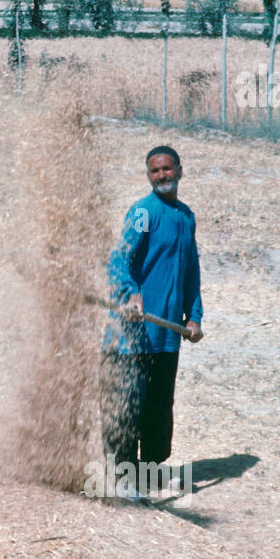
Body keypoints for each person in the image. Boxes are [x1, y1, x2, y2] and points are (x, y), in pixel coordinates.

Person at [99, 145, 203, 501]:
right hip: (130, 335)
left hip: (167, 336)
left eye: (167, 169)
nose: (162, 175)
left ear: (179, 171)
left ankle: (151, 474)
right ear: (149, 175)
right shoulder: (142, 213)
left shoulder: (186, 218)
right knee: (127, 407)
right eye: (155, 170)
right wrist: (130, 293)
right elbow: (117, 261)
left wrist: (195, 317)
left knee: (159, 409)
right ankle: (122, 479)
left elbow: (191, 274)